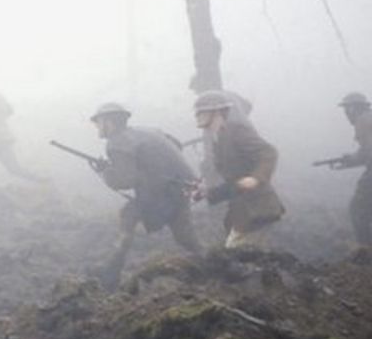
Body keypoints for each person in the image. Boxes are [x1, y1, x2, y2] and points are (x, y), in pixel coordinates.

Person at [88, 103, 202, 288]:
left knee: (130, 217)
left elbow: (125, 180)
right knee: (182, 233)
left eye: (99, 122)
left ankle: (111, 274)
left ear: (110, 122)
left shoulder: (117, 142)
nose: (97, 127)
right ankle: (212, 263)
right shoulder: (147, 131)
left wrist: (105, 172)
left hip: (162, 191)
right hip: (181, 185)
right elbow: (176, 145)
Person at [191, 90, 285, 249]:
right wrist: (206, 192)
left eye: (203, 112)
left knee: (236, 253)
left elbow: (269, 153)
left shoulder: (236, 131)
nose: (198, 116)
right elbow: (233, 183)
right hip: (243, 210)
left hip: (258, 207)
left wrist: (256, 178)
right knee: (244, 256)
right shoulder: (218, 138)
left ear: (218, 112)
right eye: (198, 113)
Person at [328, 92, 372, 246]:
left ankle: (366, 251)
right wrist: (349, 161)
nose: (346, 114)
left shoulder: (363, 120)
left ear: (354, 108)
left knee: (358, 209)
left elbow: (368, 151)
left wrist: (352, 159)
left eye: (347, 109)